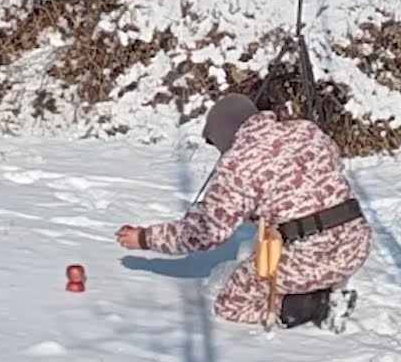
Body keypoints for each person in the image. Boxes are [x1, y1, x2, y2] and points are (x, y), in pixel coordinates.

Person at [116, 92, 372, 331]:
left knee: (231, 304)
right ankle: (316, 285)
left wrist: (144, 238)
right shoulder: (306, 130)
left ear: (227, 134)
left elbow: (205, 233)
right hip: (357, 243)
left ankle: (318, 306)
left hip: (313, 257)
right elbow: (324, 171)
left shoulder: (237, 163)